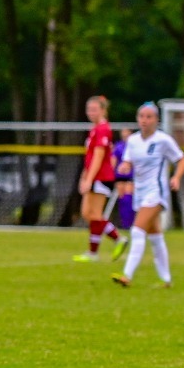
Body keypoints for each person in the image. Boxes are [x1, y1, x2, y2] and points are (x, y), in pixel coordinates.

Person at [113, 102, 184, 289]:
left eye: (149, 117)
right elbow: (128, 162)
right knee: (155, 237)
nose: (144, 120)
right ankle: (167, 280)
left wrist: (176, 177)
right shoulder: (133, 141)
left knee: (137, 230)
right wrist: (125, 166)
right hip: (140, 192)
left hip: (157, 191)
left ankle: (126, 275)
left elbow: (181, 159)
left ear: (157, 119)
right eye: (141, 116)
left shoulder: (163, 140)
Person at [73, 95, 126, 262]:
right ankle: (107, 244)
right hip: (93, 176)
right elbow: (89, 158)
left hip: (101, 177)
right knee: (88, 213)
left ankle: (102, 248)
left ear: (103, 110)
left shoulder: (103, 129)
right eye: (89, 109)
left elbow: (98, 156)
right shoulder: (95, 129)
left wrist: (89, 179)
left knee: (94, 213)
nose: (91, 112)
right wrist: (84, 176)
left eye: (95, 109)